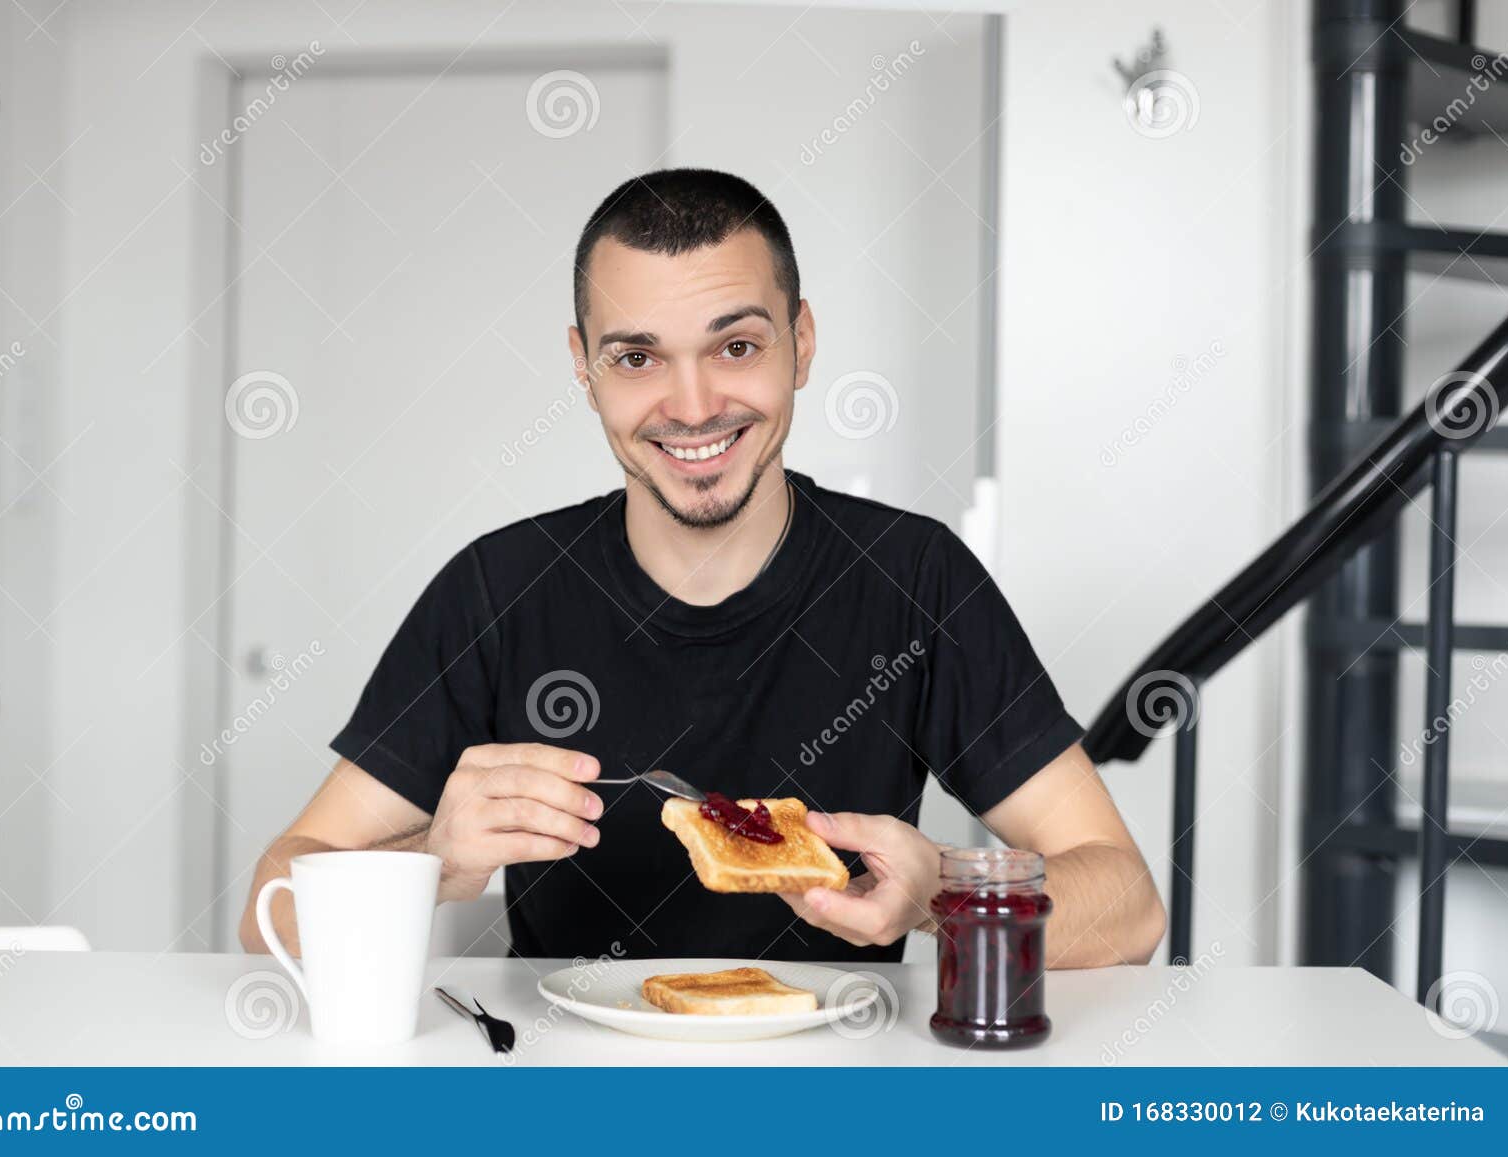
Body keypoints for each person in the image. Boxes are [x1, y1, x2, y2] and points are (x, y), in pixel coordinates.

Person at [240, 167, 1165, 967]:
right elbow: (266, 908)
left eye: (736, 345)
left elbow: (1126, 903)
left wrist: (940, 895)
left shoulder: (914, 576)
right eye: (637, 356)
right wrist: (435, 863)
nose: (692, 405)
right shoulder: (499, 587)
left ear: (801, 343)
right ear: (585, 367)